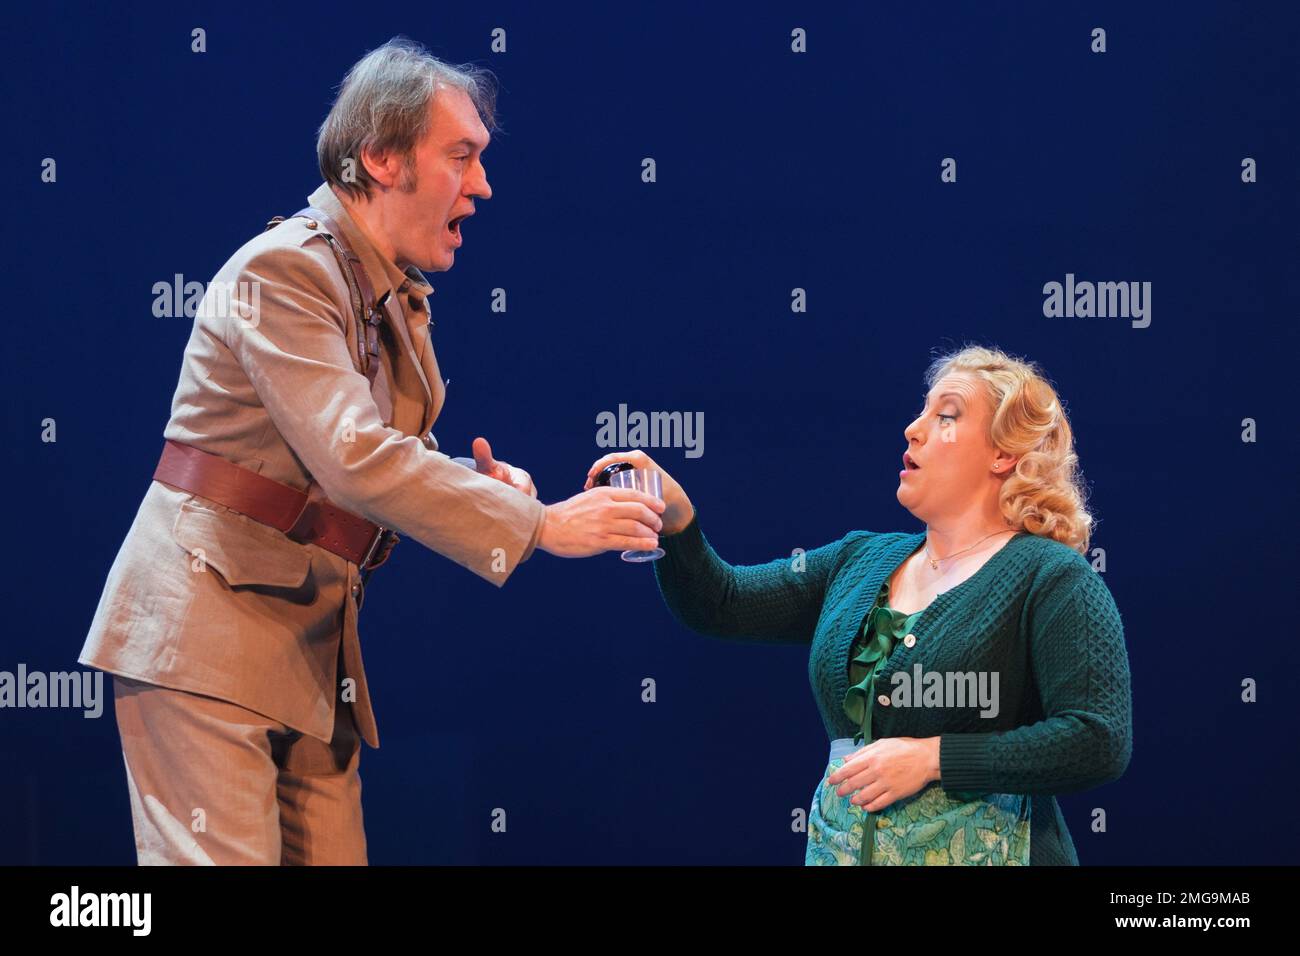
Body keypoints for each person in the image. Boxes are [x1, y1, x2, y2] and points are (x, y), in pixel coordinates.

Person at [79, 37, 665, 865]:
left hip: (308, 654)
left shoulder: (388, 293)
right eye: (461, 156)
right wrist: (539, 526)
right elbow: (356, 457)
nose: (483, 185)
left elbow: (364, 455)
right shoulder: (283, 272)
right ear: (381, 158)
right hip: (203, 640)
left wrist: (481, 485)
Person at [586, 344, 1132, 865]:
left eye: (946, 415)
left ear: (1003, 454)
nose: (912, 428)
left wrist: (935, 758)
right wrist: (680, 522)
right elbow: (721, 603)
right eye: (922, 410)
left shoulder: (1051, 577)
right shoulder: (861, 560)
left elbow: (1097, 739)